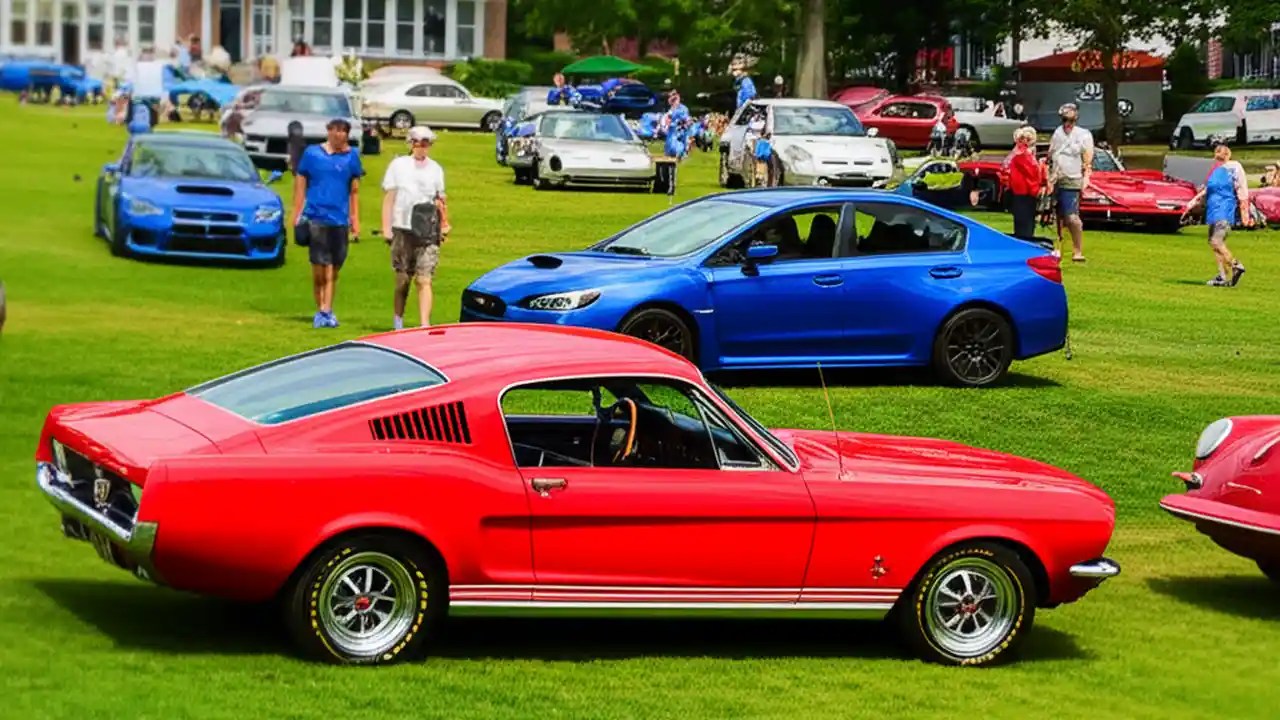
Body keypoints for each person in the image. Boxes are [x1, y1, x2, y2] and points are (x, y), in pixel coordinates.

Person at [292, 118, 364, 328]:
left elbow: (354, 191)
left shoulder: (351, 157)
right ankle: (320, 308)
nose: (339, 135)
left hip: (339, 219)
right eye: (335, 130)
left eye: (343, 131)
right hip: (316, 216)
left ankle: (327, 310)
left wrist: (355, 219)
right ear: (328, 131)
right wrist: (297, 212)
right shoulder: (312, 154)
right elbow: (301, 183)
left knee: (333, 268)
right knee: (319, 269)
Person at [381, 126, 450, 330]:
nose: (422, 147)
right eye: (418, 143)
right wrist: (386, 227)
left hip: (427, 230)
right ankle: (398, 320)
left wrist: (444, 224)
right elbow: (390, 198)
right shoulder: (398, 165)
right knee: (403, 278)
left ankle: (424, 324)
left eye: (426, 143)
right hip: (402, 227)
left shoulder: (435, 169)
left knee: (424, 278)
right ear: (411, 144)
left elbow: (440, 200)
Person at [1182, 142, 1250, 287]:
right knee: (1214, 243)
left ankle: (1236, 265)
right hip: (1213, 210)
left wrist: (1245, 213)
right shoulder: (1214, 170)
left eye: (1221, 155)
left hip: (1224, 210)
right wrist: (1192, 204)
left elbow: (1242, 189)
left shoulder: (1234, 168)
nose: (1218, 158)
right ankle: (1222, 276)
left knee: (1216, 241)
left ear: (1228, 155)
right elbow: (1206, 190)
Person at [1046, 102, 1093, 262]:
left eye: (1071, 120)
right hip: (1055, 178)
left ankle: (1077, 250)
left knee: (1072, 216)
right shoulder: (1057, 133)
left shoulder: (1084, 135)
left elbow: (1087, 159)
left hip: (1072, 178)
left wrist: (1086, 176)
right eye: (1065, 120)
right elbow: (1051, 154)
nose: (1067, 123)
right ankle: (1058, 247)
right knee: (1055, 215)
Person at [1005, 126, 1045, 241]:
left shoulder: (1016, 152)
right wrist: (1037, 189)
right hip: (1025, 193)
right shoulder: (1023, 154)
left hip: (1018, 192)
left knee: (1020, 222)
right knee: (1025, 224)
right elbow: (1033, 173)